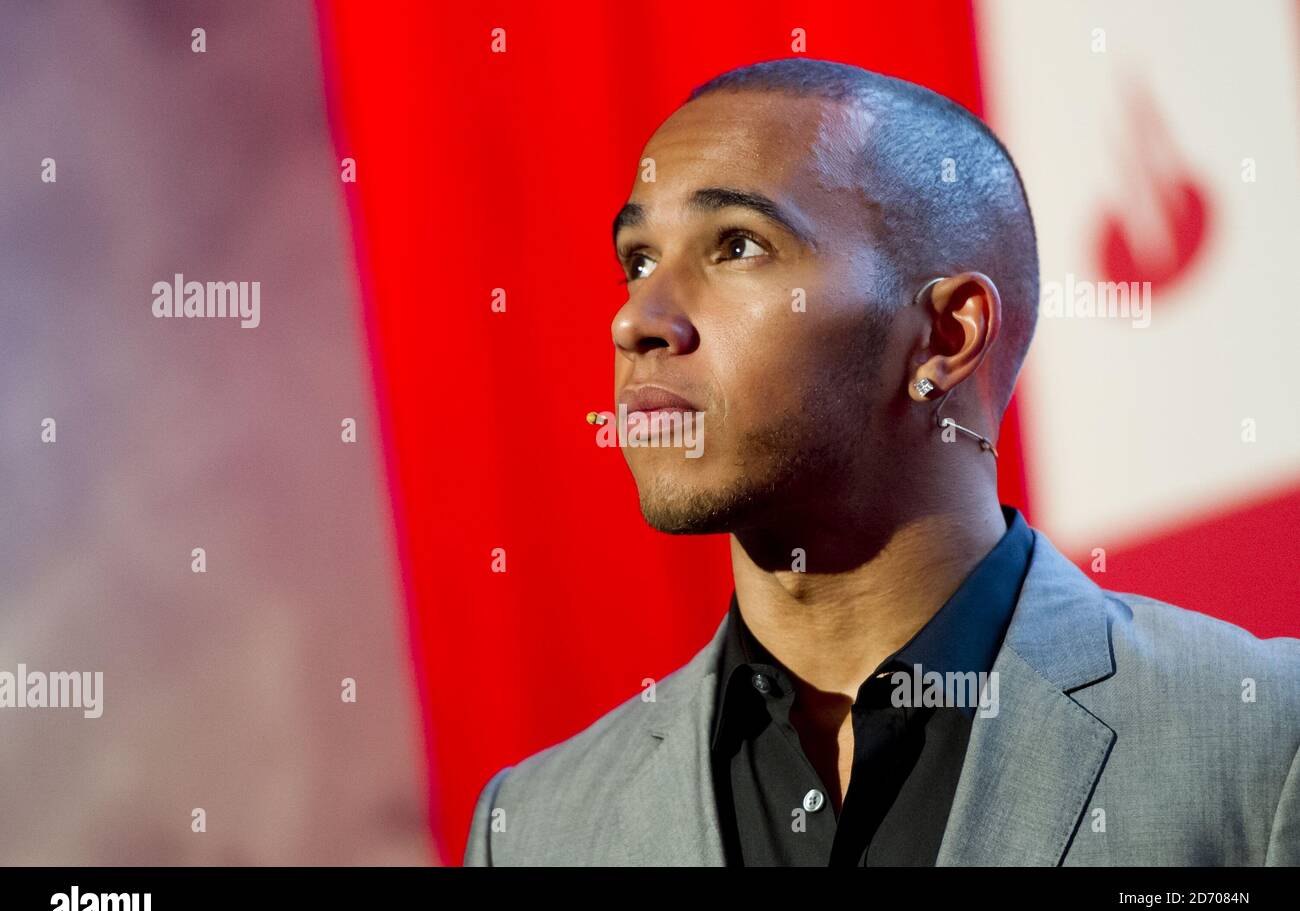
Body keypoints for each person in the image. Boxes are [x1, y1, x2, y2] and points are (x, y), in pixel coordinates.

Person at [464, 57, 1299, 866]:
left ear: (946, 335)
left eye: (739, 247)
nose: (637, 321)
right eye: (638, 261)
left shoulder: (1258, 739)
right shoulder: (535, 828)